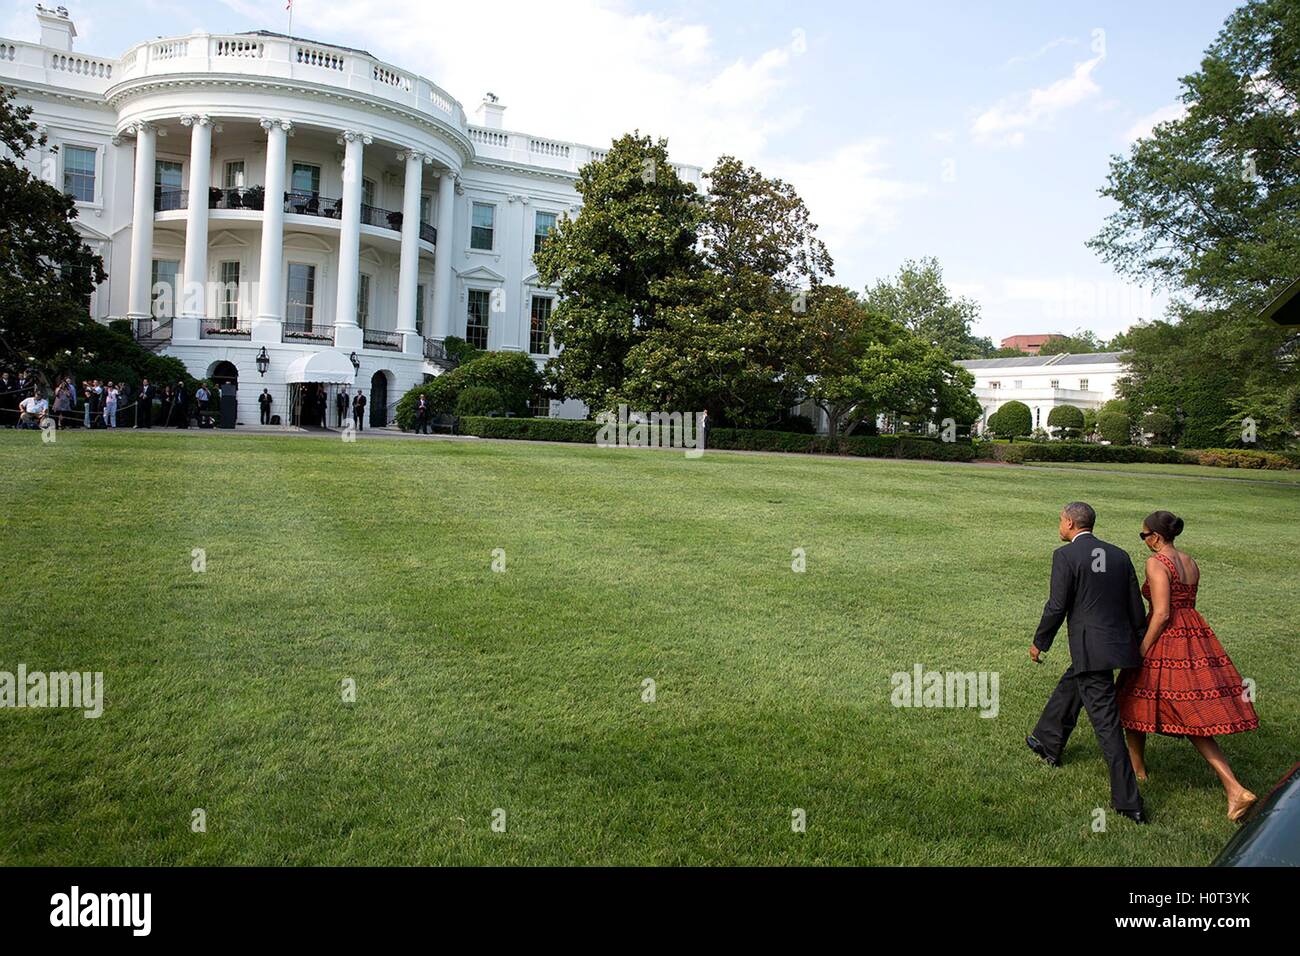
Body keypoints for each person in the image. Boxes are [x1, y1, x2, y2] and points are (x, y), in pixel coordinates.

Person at [1118, 511, 1259, 821]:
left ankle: (1235, 789)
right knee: (1135, 699)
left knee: (1167, 706)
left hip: (1167, 638)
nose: (1143, 542)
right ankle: (1137, 769)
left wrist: (1142, 648)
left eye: (1143, 536)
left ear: (1155, 537)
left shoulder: (1156, 563)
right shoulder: (1190, 561)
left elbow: (1163, 613)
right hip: (1195, 632)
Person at [1026, 502, 1149, 824]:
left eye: (1060, 521)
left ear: (1069, 523)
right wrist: (1138, 643)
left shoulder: (1065, 556)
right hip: (1117, 648)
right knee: (1074, 681)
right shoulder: (1120, 556)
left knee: (1107, 725)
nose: (1059, 526)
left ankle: (1128, 801)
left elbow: (1057, 605)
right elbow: (1136, 608)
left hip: (1092, 650)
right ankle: (1047, 741)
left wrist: (1040, 643)